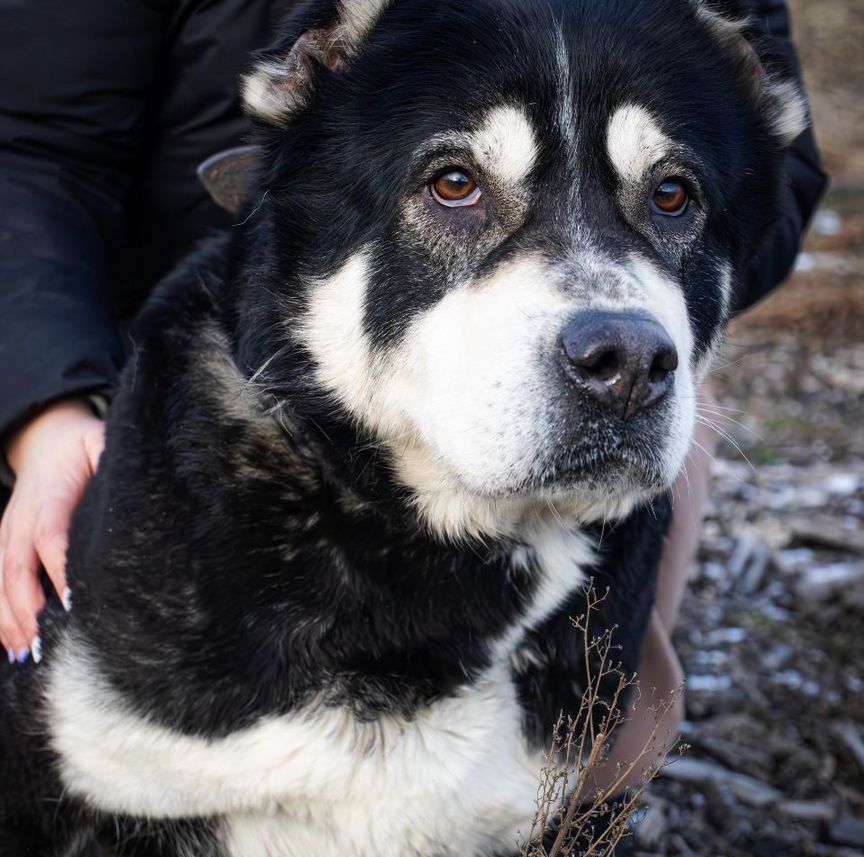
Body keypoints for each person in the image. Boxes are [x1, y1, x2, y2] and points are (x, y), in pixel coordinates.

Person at [0, 0, 827, 783]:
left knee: (610, 744)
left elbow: (774, 174)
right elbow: (35, 152)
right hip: (132, 351)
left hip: (523, 385)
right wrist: (47, 411)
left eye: (671, 193)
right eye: (460, 185)